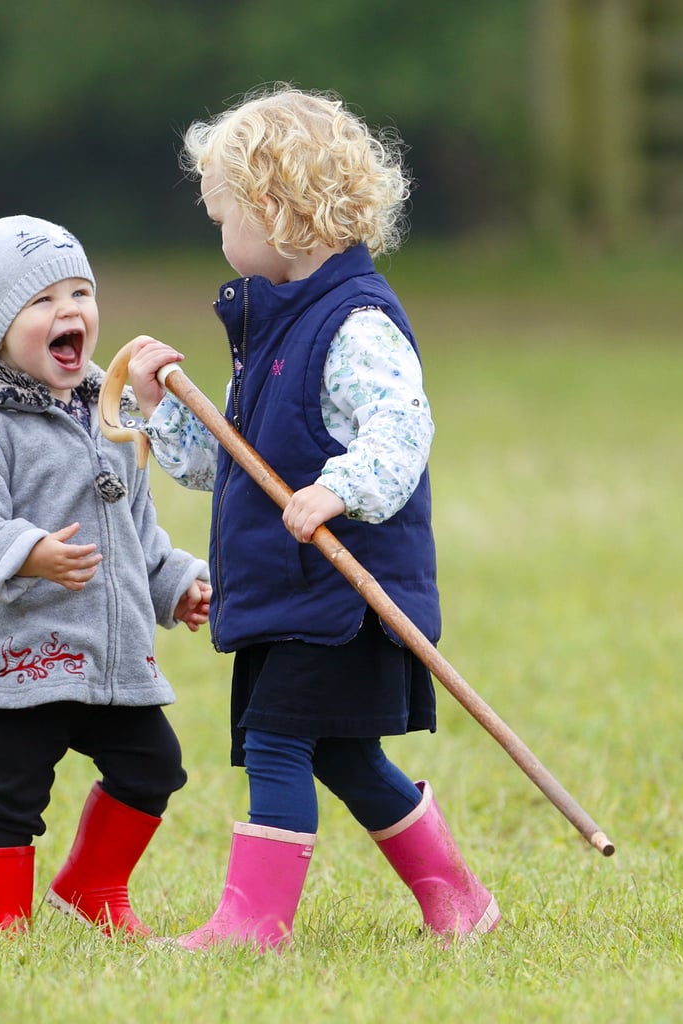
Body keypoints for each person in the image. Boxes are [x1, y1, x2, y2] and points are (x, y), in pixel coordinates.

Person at [127, 87, 500, 952]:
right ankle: (457, 898)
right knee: (343, 754)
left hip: (340, 600)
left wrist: (340, 489)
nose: (218, 236)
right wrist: (162, 406)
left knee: (277, 742)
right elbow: (220, 463)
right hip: (290, 594)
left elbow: (402, 428)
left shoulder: (356, 322)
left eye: (222, 217)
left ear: (268, 209)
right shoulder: (271, 327)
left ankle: (254, 924)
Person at [0, 214, 211, 935]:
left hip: (108, 654)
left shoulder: (108, 419)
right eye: (42, 301)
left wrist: (175, 583)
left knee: (154, 767)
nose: (70, 311)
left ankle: (92, 885)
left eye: (80, 292)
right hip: (17, 656)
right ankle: (6, 924)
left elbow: (136, 531)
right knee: (11, 791)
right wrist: (28, 552)